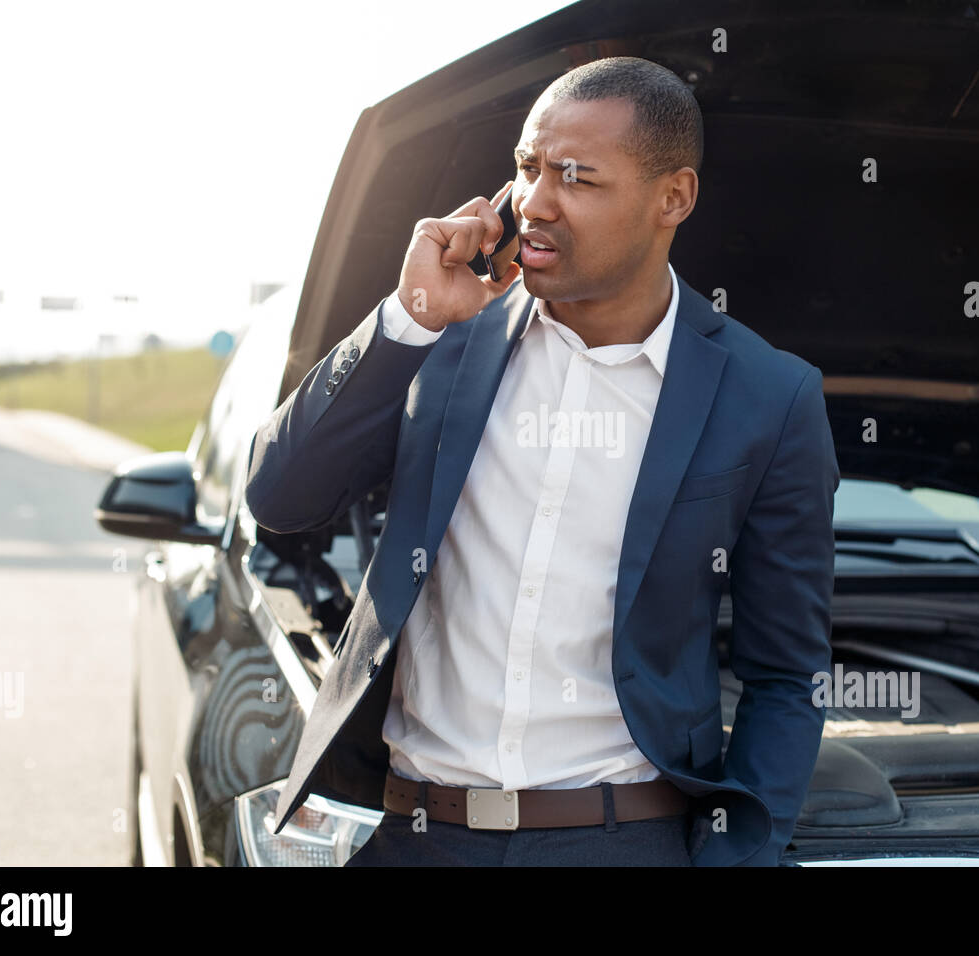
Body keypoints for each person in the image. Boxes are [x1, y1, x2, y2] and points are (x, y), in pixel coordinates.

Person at [245, 55, 839, 866]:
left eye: (576, 178)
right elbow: (280, 497)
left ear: (674, 198)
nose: (535, 203)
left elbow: (786, 677)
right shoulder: (444, 336)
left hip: (625, 839)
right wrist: (409, 320)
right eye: (526, 168)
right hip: (415, 836)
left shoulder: (768, 397)